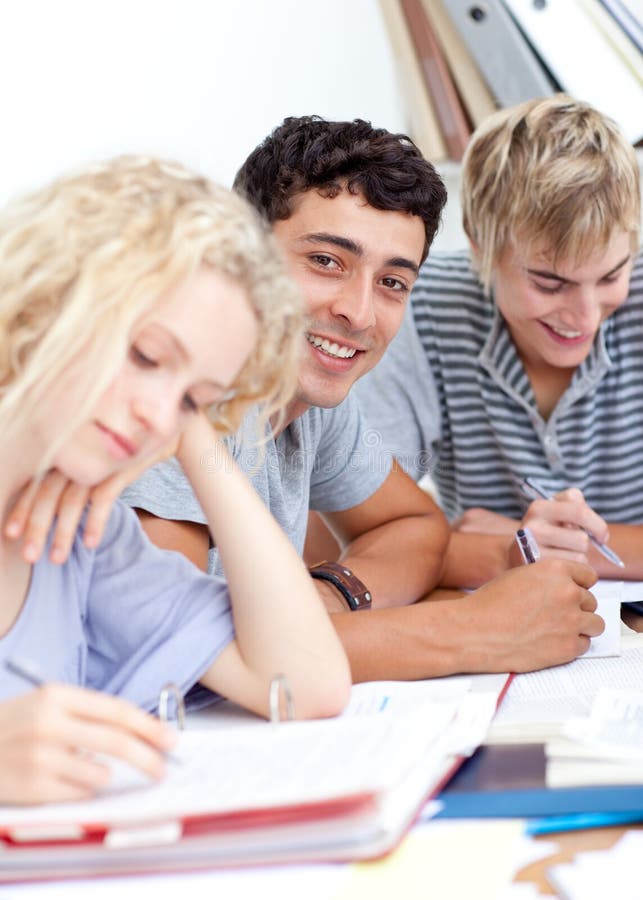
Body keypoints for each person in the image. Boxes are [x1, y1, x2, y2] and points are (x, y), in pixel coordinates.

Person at [10, 118, 603, 681]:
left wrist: (333, 594)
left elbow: (414, 526)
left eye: (392, 282)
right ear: (245, 258)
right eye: (325, 261)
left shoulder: (310, 403)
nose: (359, 311)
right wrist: (474, 630)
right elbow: (186, 648)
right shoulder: (158, 409)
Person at [0, 156, 350, 805]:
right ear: (46, 302)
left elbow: (306, 685)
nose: (156, 414)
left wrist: (193, 432)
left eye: (194, 396)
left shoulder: (81, 535)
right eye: (146, 356)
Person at [354, 94, 643, 589]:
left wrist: (516, 547)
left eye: (612, 275)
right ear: (479, 245)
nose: (586, 315)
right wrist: (496, 551)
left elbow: (425, 548)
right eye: (550, 283)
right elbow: (356, 529)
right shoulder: (418, 307)